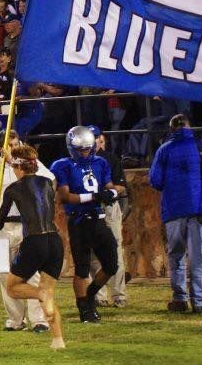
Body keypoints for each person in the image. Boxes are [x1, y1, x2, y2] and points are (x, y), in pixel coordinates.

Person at [0, 131, 54, 333]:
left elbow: (50, 180)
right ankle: (15, 320)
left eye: (16, 143)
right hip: (0, 226)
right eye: (10, 145)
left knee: (32, 272)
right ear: (1, 148)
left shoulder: (31, 165)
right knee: (3, 275)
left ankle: (39, 320)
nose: (14, 148)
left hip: (27, 225)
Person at [0, 145, 65, 350]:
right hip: (55, 242)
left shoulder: (13, 189)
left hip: (34, 242)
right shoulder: (48, 183)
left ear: (18, 166)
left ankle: (39, 295)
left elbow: (0, 220)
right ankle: (58, 340)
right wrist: (12, 159)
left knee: (13, 288)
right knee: (48, 291)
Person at [51, 126, 125, 323]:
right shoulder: (62, 165)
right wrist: (94, 196)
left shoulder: (101, 162)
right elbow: (66, 196)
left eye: (88, 148)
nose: (85, 152)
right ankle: (84, 309)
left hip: (99, 217)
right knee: (82, 268)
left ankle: (89, 295)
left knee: (111, 264)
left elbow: (110, 187)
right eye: (81, 149)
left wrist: (112, 193)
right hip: (78, 220)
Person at [149, 114, 202, 314]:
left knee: (176, 256)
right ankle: (198, 302)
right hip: (198, 209)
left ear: (172, 129)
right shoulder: (201, 146)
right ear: (189, 127)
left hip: (173, 209)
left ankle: (180, 298)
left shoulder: (164, 149)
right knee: (198, 257)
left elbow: (155, 180)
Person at [88, 125, 129, 308]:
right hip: (90, 208)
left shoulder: (109, 159)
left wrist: (106, 190)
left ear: (100, 139)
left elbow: (121, 187)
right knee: (94, 253)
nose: (94, 141)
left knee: (115, 251)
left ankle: (119, 295)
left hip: (109, 207)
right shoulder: (81, 161)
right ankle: (99, 295)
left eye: (96, 137)